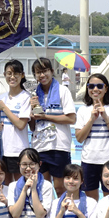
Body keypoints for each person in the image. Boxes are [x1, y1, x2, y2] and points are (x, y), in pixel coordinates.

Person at [30, 58, 76, 196]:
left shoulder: (63, 91)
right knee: (43, 189)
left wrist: (45, 116)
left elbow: (71, 118)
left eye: (44, 71)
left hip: (59, 146)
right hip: (39, 146)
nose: (42, 75)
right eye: (38, 72)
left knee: (60, 187)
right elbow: (32, 127)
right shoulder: (33, 94)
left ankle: (63, 209)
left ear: (52, 71)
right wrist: (32, 112)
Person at [74, 73, 109, 200]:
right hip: (89, 160)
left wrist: (105, 117)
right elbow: (79, 138)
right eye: (91, 86)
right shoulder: (83, 110)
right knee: (91, 202)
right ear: (87, 88)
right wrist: (91, 120)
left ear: (106, 88)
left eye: (99, 86)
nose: (95, 89)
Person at [0, 60, 31, 183]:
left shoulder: (26, 97)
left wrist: (4, 108)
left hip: (18, 149)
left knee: (21, 185)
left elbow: (21, 124)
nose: (12, 77)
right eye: (9, 73)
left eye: (16, 73)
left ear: (22, 75)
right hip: (2, 149)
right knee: (5, 186)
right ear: (4, 75)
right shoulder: (1, 97)